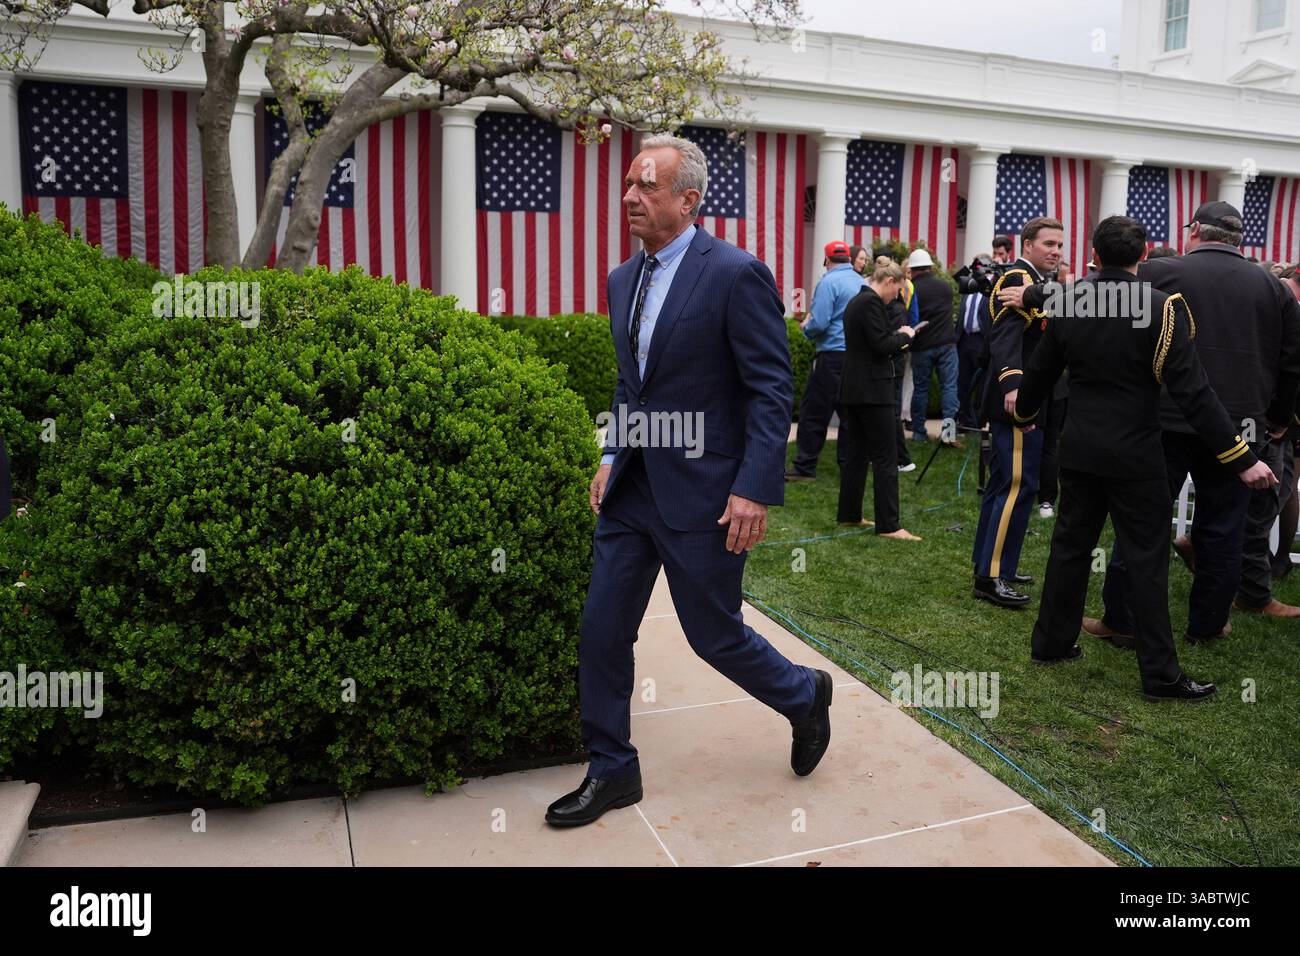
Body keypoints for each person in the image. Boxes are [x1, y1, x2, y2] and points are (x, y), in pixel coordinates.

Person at [547, 134, 832, 828]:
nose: (630, 198)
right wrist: (614, 453)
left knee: (714, 638)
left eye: (647, 187)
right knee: (601, 631)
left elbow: (770, 389)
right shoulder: (624, 279)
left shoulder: (735, 274)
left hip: (705, 495)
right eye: (629, 185)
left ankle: (803, 694)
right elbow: (630, 385)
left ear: (689, 200)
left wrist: (755, 486)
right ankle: (612, 770)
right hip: (633, 490)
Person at [1000, 202, 1300, 640]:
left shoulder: (1162, 274)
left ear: (1195, 230)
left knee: (1144, 525)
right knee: (1223, 528)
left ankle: (1120, 620)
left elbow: (1094, 293)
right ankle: (1209, 623)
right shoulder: (1273, 287)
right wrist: (1278, 420)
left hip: (1165, 418)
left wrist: (1031, 295)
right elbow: (1292, 362)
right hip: (1241, 422)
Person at [969, 217, 1064, 608]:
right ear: (1027, 245)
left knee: (1008, 485)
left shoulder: (1036, 282)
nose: (1056, 251)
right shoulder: (1016, 279)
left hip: (1030, 396)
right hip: (1019, 398)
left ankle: (997, 565)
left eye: (1060, 245)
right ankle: (991, 577)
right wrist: (1013, 384)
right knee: (1015, 485)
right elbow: (1005, 336)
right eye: (1048, 244)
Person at [836, 261, 923, 539]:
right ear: (887, 281)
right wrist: (905, 335)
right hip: (874, 391)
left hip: (855, 389)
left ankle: (849, 515)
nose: (895, 297)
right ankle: (890, 525)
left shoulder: (856, 302)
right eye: (896, 291)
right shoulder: (870, 303)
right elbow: (881, 345)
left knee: (857, 455)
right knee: (886, 458)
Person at [786, 240, 866, 482]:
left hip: (831, 356)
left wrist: (805, 328)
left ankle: (805, 466)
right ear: (849, 259)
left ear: (827, 260)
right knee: (850, 415)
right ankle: (848, 466)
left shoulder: (829, 282)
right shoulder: (861, 282)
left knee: (814, 412)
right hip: (857, 357)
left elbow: (819, 322)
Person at [905, 249, 958, 445]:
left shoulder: (911, 289)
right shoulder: (944, 286)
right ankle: (948, 435)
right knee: (949, 388)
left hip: (921, 346)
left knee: (920, 390)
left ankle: (919, 432)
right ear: (929, 267)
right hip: (946, 344)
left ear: (913, 269)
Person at [955, 261, 990, 429]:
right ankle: (967, 421)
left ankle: (979, 423)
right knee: (962, 384)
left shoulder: (988, 291)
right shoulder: (967, 288)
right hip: (964, 341)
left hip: (981, 341)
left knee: (981, 385)